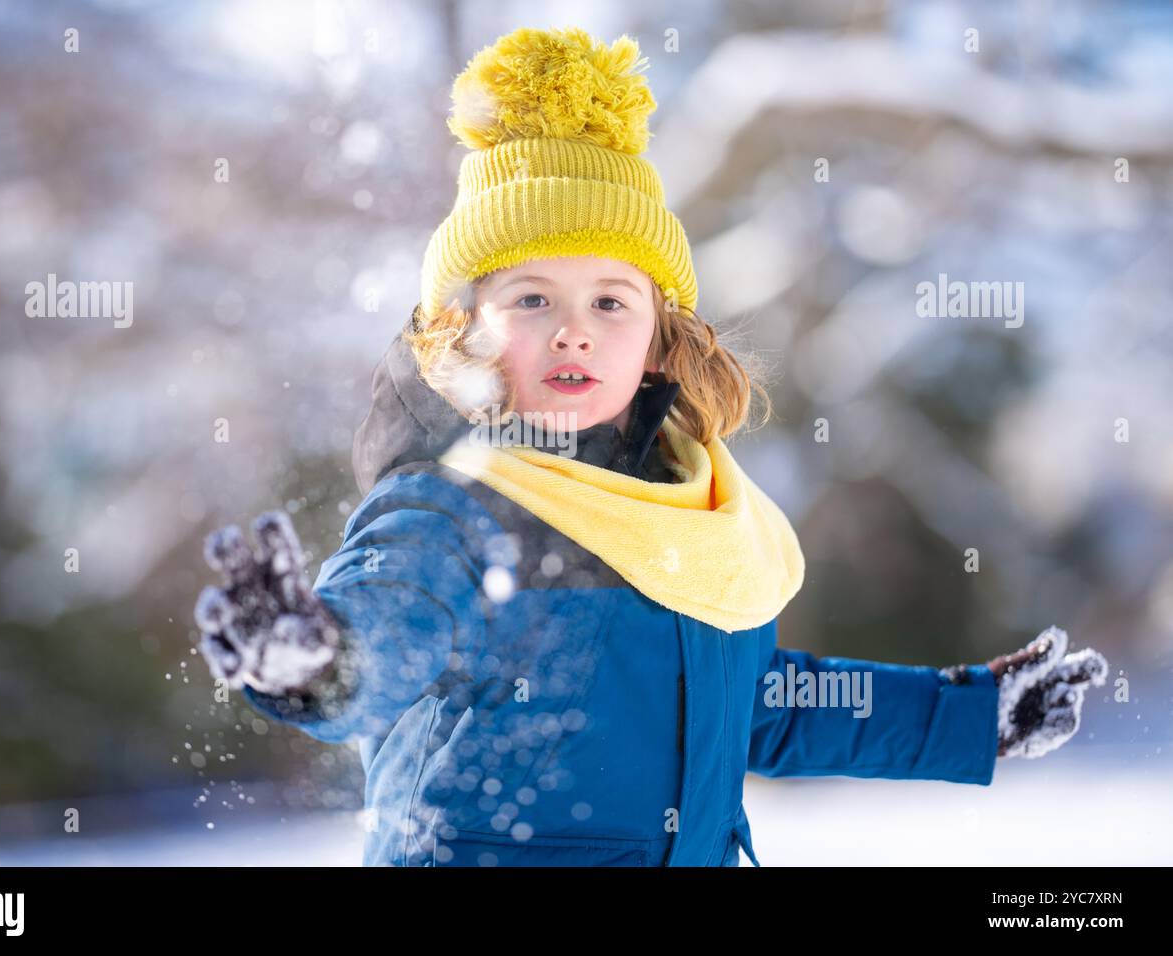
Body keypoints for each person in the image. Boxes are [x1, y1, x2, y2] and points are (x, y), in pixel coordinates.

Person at [193, 26, 1107, 867]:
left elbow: (757, 708)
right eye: (531, 299)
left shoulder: (688, 506)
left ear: (660, 335)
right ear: (461, 331)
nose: (573, 332)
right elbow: (386, 634)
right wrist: (315, 656)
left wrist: (967, 718)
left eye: (610, 301)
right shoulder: (452, 510)